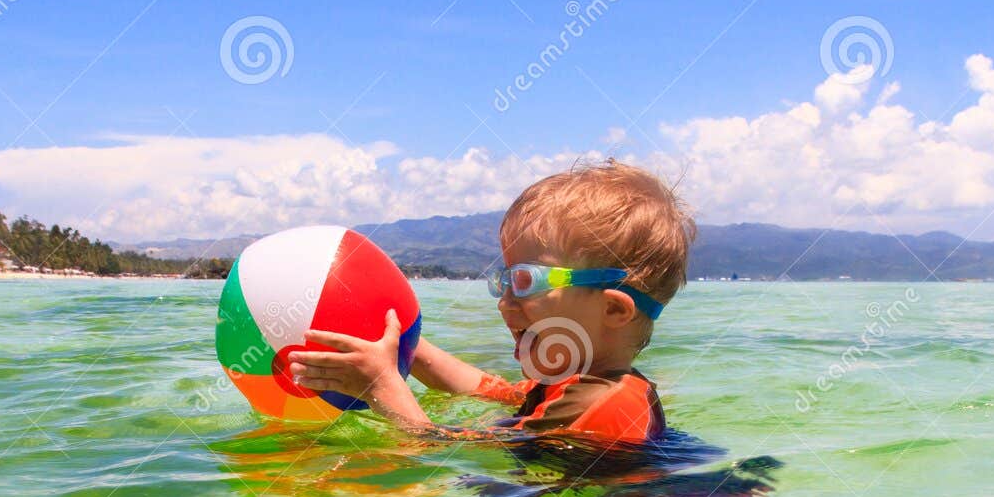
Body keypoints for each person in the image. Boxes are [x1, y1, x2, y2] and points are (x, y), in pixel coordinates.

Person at [288, 161, 694, 444]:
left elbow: (441, 452)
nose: (504, 303)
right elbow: (484, 389)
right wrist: (408, 343)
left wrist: (382, 387)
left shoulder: (603, 406)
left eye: (524, 281)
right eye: (503, 280)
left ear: (612, 310)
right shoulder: (567, 385)